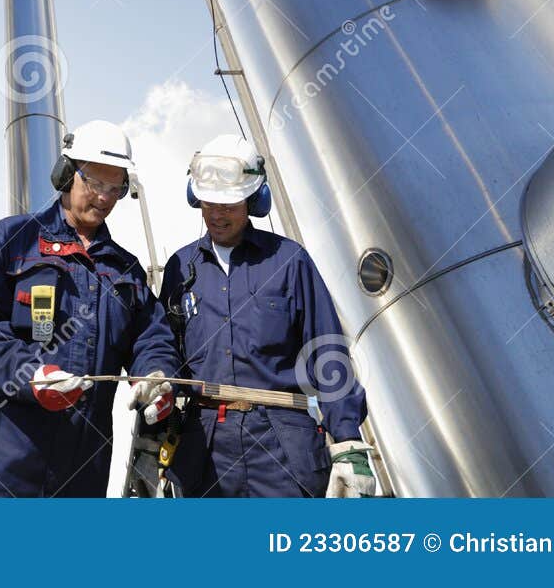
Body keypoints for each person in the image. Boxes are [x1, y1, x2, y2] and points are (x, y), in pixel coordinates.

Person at [133, 134, 375, 498]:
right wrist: (151, 436)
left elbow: (328, 352)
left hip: (282, 445)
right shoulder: (181, 268)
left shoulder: (289, 262)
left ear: (254, 200)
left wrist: (348, 442)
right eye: (209, 202)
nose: (216, 214)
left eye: (229, 205)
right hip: (204, 446)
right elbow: (167, 354)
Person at [0, 121, 178, 497]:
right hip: (4, 456)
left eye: (115, 187)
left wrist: (155, 375)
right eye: (94, 183)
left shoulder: (125, 270)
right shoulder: (13, 240)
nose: (104, 198)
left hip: (83, 465)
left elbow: (150, 337)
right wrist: (30, 374)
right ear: (67, 175)